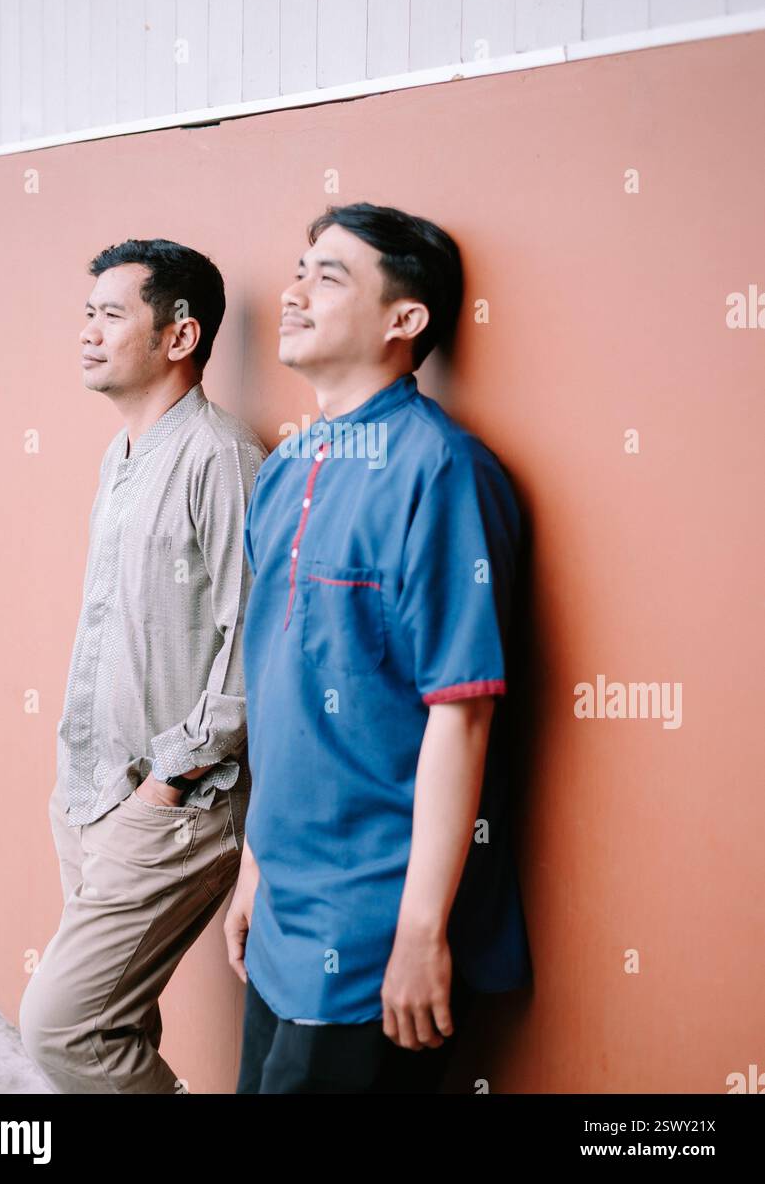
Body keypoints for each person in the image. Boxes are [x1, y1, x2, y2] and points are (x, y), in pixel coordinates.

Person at [224, 202, 531, 1093]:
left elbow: (461, 714)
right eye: (297, 269)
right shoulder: (285, 470)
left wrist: (421, 932)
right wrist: (254, 871)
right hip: (284, 908)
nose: (295, 291)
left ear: (405, 320)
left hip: (370, 925)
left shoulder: (441, 471)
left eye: (330, 276)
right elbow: (281, 689)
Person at [19, 238, 267, 1093]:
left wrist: (167, 781)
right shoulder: (119, 455)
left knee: (60, 1030)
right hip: (88, 791)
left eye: (111, 314)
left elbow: (253, 641)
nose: (88, 332)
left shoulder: (220, 454)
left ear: (178, 336)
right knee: (112, 1023)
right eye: (86, 314)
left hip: (169, 803)